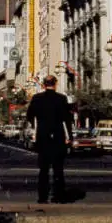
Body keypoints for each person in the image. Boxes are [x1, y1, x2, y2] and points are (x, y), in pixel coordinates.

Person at [26, 75, 73, 203]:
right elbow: (67, 120)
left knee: (43, 170)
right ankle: (59, 196)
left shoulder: (37, 99)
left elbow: (29, 116)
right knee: (58, 169)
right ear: (55, 84)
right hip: (58, 136)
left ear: (44, 84)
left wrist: (37, 126)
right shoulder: (61, 99)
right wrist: (69, 137)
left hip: (43, 137)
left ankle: (42, 197)